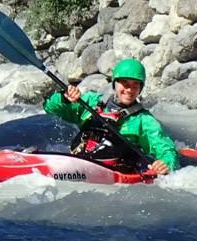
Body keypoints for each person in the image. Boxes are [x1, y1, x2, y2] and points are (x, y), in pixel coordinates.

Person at [43, 58, 180, 175]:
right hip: (77, 162)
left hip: (113, 174)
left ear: (140, 88)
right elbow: (50, 108)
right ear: (115, 83)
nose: (129, 90)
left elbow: (166, 149)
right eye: (124, 83)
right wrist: (64, 98)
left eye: (135, 85)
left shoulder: (144, 120)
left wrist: (166, 164)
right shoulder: (92, 102)